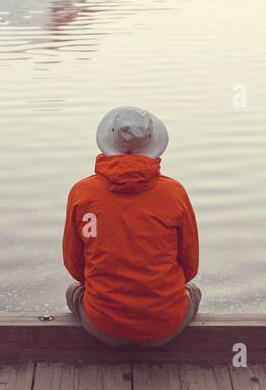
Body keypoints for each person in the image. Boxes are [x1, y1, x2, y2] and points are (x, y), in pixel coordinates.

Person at [62, 106, 201, 346]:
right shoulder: (174, 193)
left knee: (72, 291)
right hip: (166, 326)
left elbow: (74, 263)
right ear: (152, 143)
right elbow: (190, 264)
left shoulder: (82, 193)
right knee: (194, 291)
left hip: (103, 325)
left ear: (109, 140)